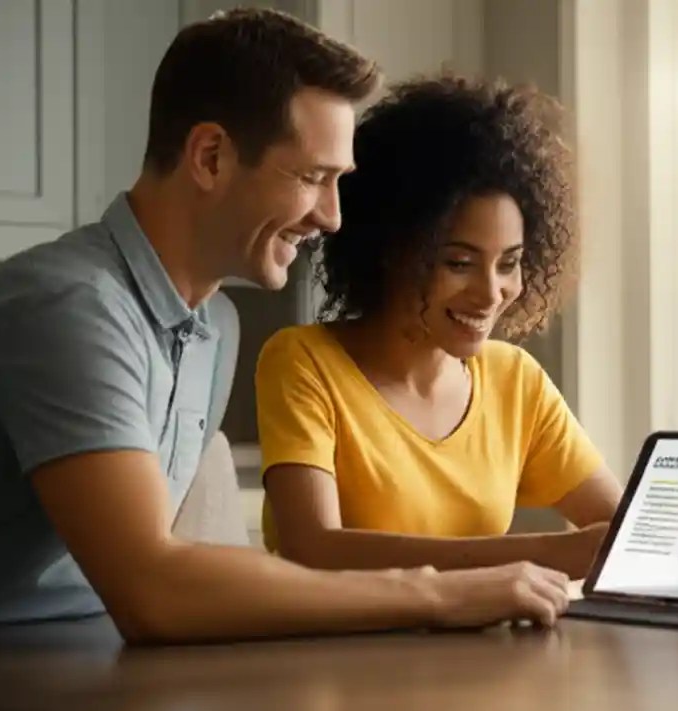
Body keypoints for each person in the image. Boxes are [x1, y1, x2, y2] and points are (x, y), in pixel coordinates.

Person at [0, 8, 571, 642]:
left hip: (94, 662)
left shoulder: (214, 327)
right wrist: (437, 591)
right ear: (211, 156)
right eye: (311, 177)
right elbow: (151, 589)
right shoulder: (69, 308)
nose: (332, 218)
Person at [255, 75, 622, 579]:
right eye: (459, 263)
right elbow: (312, 549)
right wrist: (542, 554)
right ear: (392, 249)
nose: (491, 292)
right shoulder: (304, 362)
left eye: (509, 263)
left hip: (484, 656)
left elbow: (625, 534)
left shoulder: (515, 380)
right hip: (335, 657)